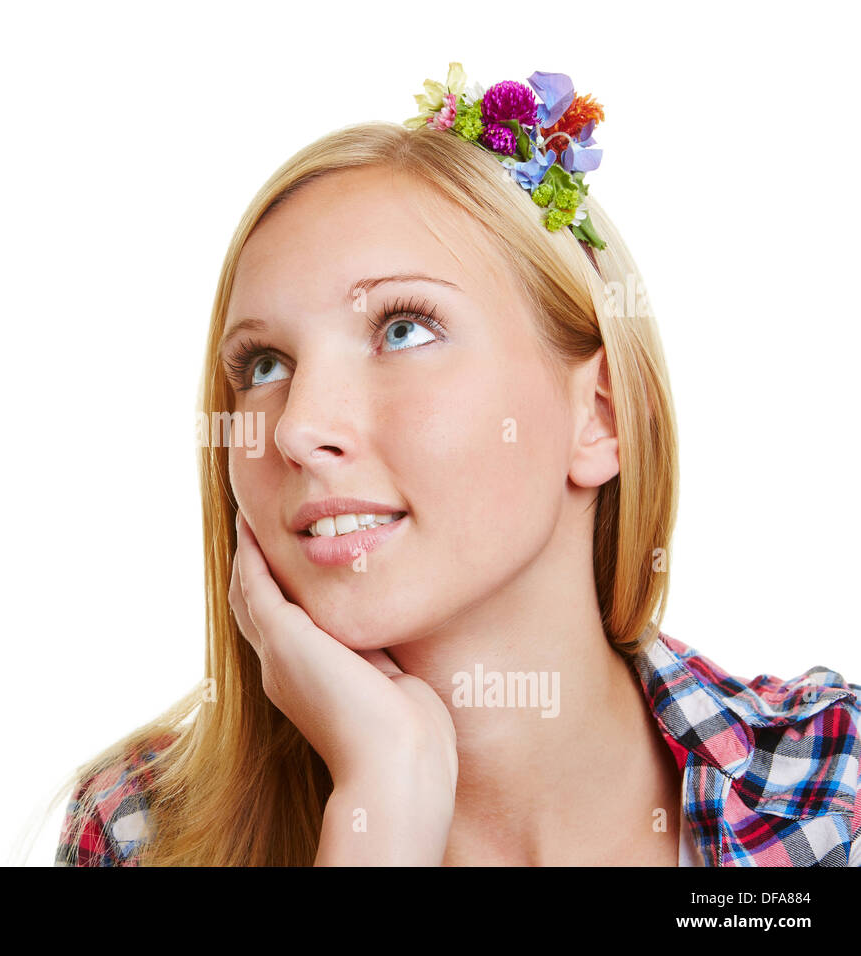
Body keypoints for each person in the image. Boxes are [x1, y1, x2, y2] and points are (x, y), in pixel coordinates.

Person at [53, 64, 861, 866]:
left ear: (600, 416)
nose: (296, 429)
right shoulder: (138, 836)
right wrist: (383, 803)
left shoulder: (838, 788)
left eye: (404, 329)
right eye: (263, 364)